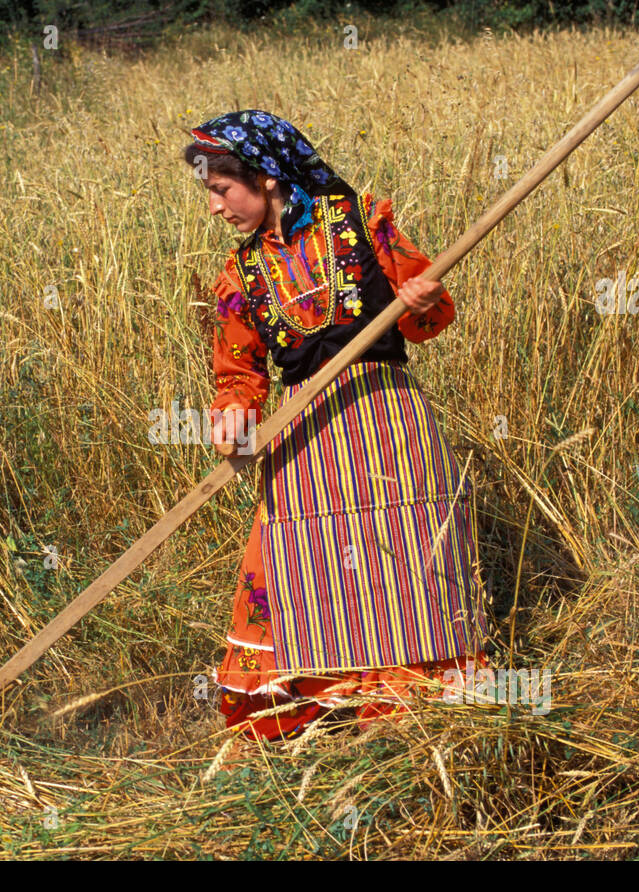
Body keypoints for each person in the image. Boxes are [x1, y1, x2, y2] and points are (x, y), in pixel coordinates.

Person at [182, 109, 492, 744]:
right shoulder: (238, 278)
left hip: (386, 419)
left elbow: (431, 321)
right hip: (303, 435)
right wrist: (235, 412)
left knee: (406, 558)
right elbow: (237, 372)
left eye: (221, 190)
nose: (215, 208)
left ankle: (416, 702)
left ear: (267, 177)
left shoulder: (363, 223)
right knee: (294, 560)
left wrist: (421, 301)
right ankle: (314, 701)